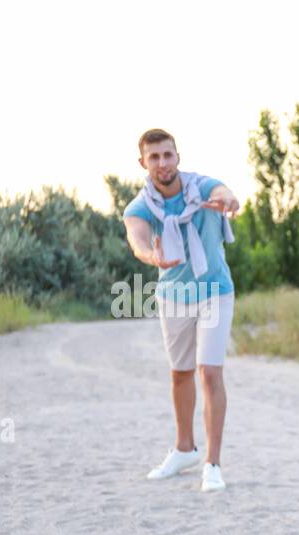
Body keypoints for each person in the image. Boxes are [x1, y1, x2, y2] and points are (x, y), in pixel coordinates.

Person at [122, 128, 239, 492]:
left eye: (167, 155)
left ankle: (213, 465)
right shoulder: (140, 206)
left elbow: (223, 193)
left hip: (214, 291)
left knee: (209, 372)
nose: (162, 163)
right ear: (144, 163)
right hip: (173, 296)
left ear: (177, 157)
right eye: (154, 157)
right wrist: (150, 255)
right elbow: (137, 238)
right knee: (180, 374)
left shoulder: (201, 188)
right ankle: (184, 448)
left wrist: (229, 201)